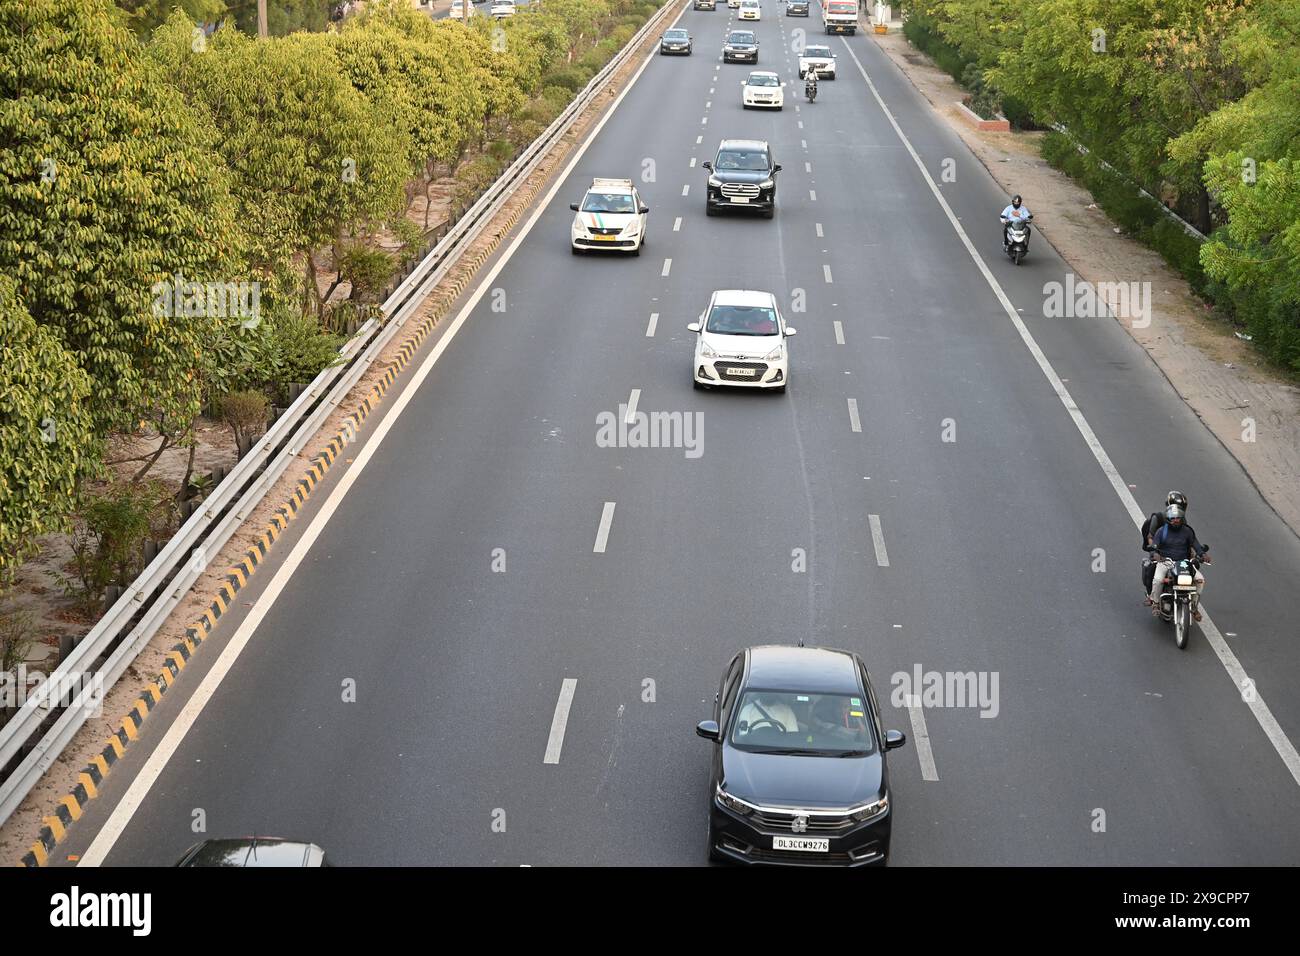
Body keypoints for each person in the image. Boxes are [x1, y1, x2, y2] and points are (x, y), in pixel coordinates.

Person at [1146, 504, 1209, 620]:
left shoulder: (1187, 531)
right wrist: (1155, 554)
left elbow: (1196, 544)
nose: (1176, 520)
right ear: (1168, 519)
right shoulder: (1161, 531)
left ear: (1181, 518)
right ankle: (1155, 603)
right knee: (1158, 579)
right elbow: (1154, 545)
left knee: (1200, 580)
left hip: (1183, 562)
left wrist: (1203, 554)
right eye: (1173, 518)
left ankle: (1194, 607)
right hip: (1166, 561)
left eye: (1178, 518)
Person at [1140, 491, 1194, 593]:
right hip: (1160, 550)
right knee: (1151, 569)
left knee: (1192, 568)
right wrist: (1154, 551)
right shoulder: (1158, 518)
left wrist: (1192, 551)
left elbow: (1186, 535)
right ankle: (1151, 595)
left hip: (1177, 551)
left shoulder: (1181, 519)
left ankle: (1191, 598)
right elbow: (1150, 536)